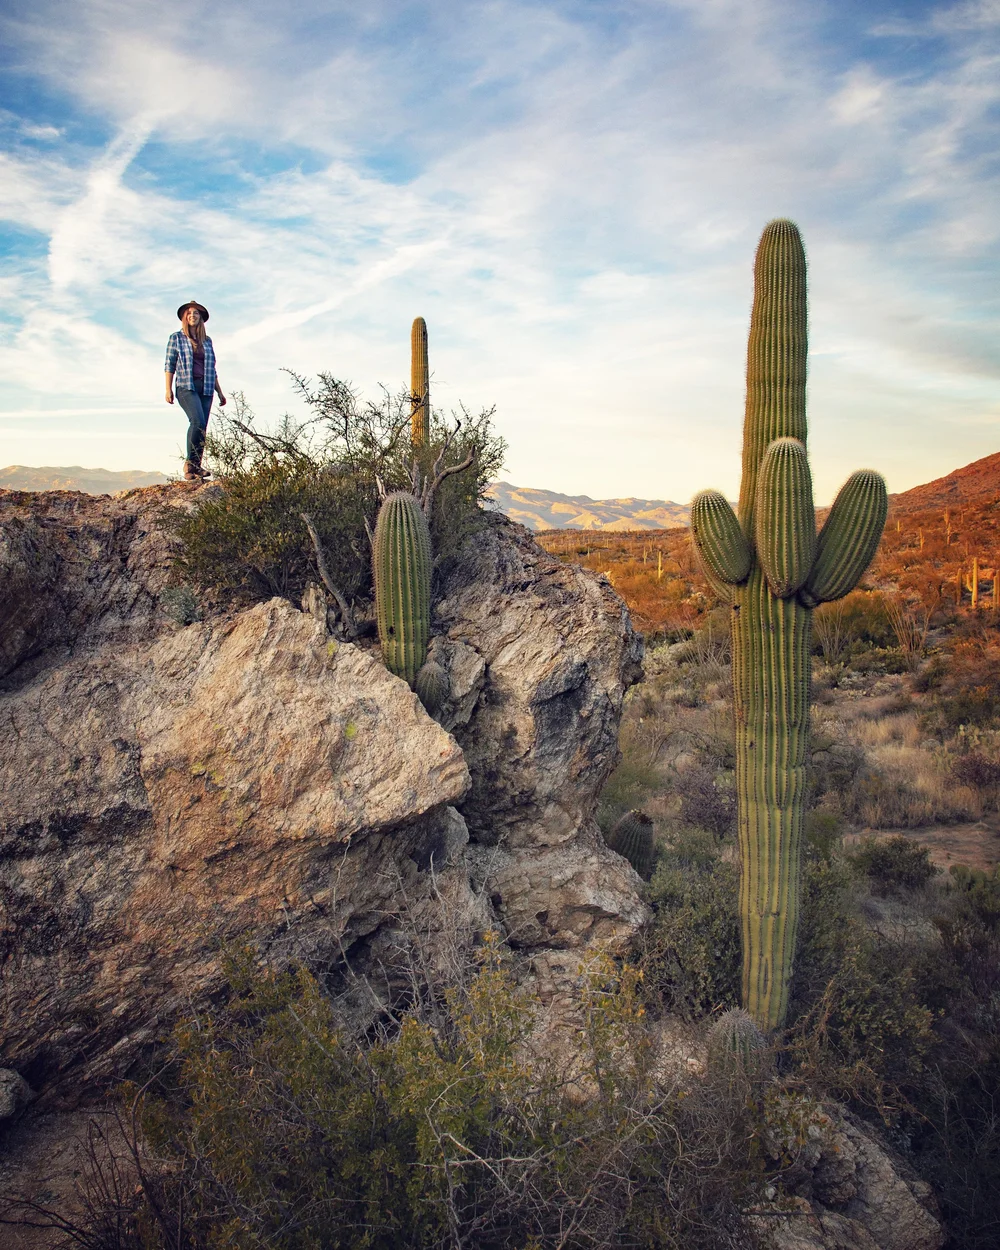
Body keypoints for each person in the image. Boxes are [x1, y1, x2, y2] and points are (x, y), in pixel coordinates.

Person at [164, 300, 226, 481]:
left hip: (206, 387)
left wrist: (219, 391)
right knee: (197, 421)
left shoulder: (207, 341)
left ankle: (196, 467)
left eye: (196, 313)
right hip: (186, 386)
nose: (193, 316)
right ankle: (190, 464)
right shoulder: (176, 338)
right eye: (189, 313)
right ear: (185, 317)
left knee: (203, 427)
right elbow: (170, 364)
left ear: (201, 318)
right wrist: (168, 389)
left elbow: (212, 368)